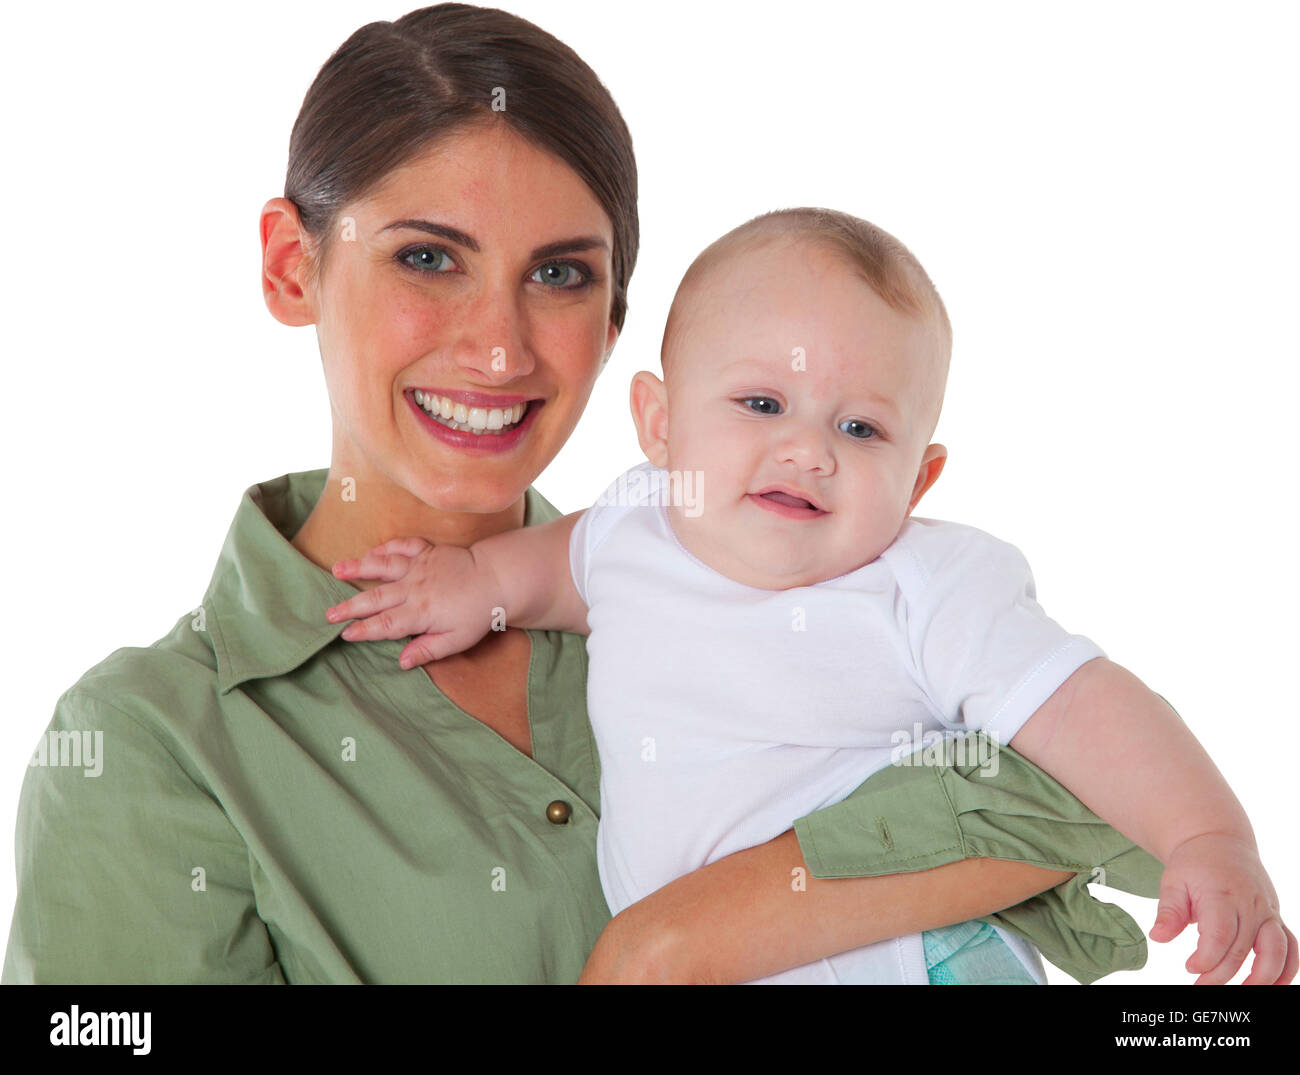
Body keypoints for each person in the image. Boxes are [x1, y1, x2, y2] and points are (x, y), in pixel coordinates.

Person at [0, 3, 1100, 986]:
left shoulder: (752, 573)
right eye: (429, 259)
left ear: (617, 323)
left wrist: (670, 943)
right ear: (294, 267)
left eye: (560, 274)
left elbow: (1089, 800)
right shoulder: (155, 741)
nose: (496, 349)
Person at [325, 207, 1296, 984]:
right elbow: (548, 567)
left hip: (914, 958)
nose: (807, 448)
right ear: (658, 424)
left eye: (864, 429)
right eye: (760, 404)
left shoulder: (927, 585)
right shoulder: (633, 526)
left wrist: (1207, 836)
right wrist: (471, 586)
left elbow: (1088, 705)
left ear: (920, 481)